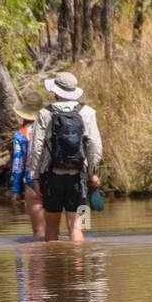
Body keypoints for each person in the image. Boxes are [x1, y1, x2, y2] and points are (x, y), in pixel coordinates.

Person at [26, 71, 103, 242]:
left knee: (52, 226)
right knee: (76, 226)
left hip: (51, 175)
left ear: (55, 91)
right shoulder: (87, 112)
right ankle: (78, 266)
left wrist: (35, 177)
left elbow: (36, 149)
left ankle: (54, 265)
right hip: (77, 175)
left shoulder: (45, 113)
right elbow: (95, 146)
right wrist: (92, 172)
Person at [10, 88, 47, 238]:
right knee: (53, 232)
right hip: (53, 180)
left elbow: (18, 164)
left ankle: (39, 261)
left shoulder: (20, 134)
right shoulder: (50, 128)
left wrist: (15, 190)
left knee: (39, 233)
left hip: (32, 182)